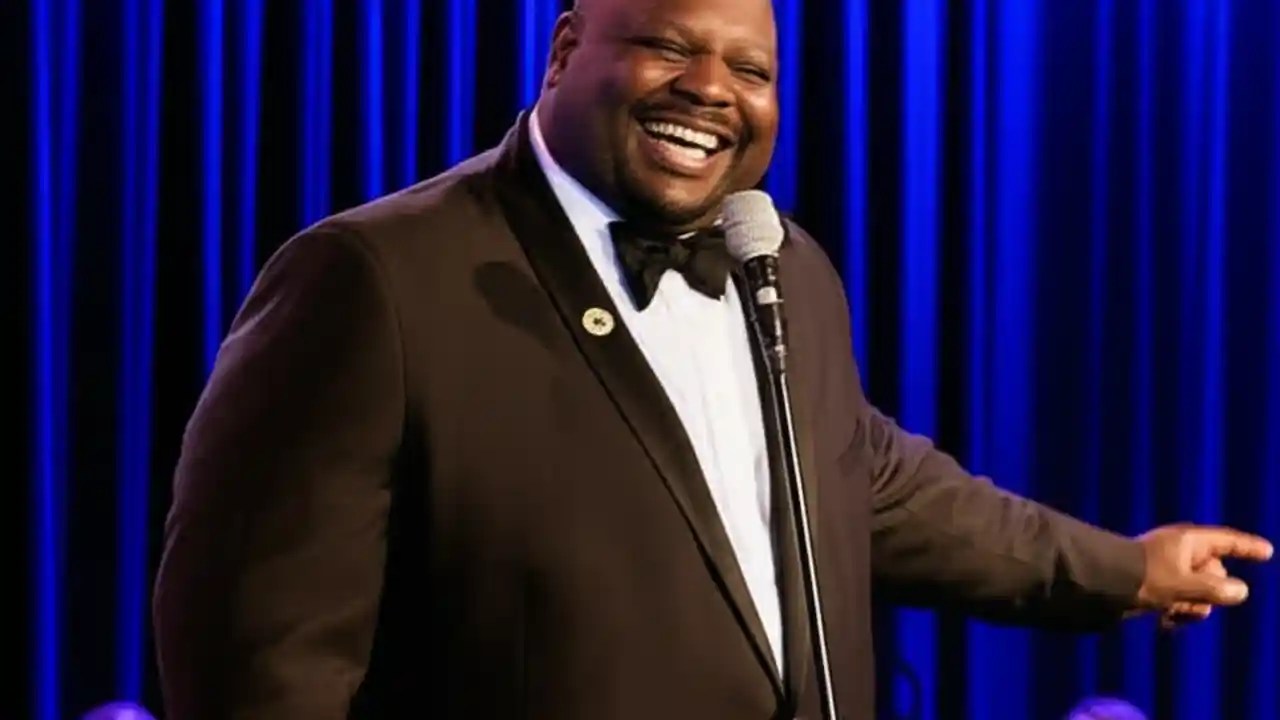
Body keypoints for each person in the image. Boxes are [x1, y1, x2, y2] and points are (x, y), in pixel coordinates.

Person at [151, 0, 1273, 717]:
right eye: (667, 45)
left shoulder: (780, 267)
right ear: (563, 49)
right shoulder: (377, 277)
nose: (712, 91)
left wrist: (1121, 570)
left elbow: (878, 487)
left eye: (751, 69)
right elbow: (262, 661)